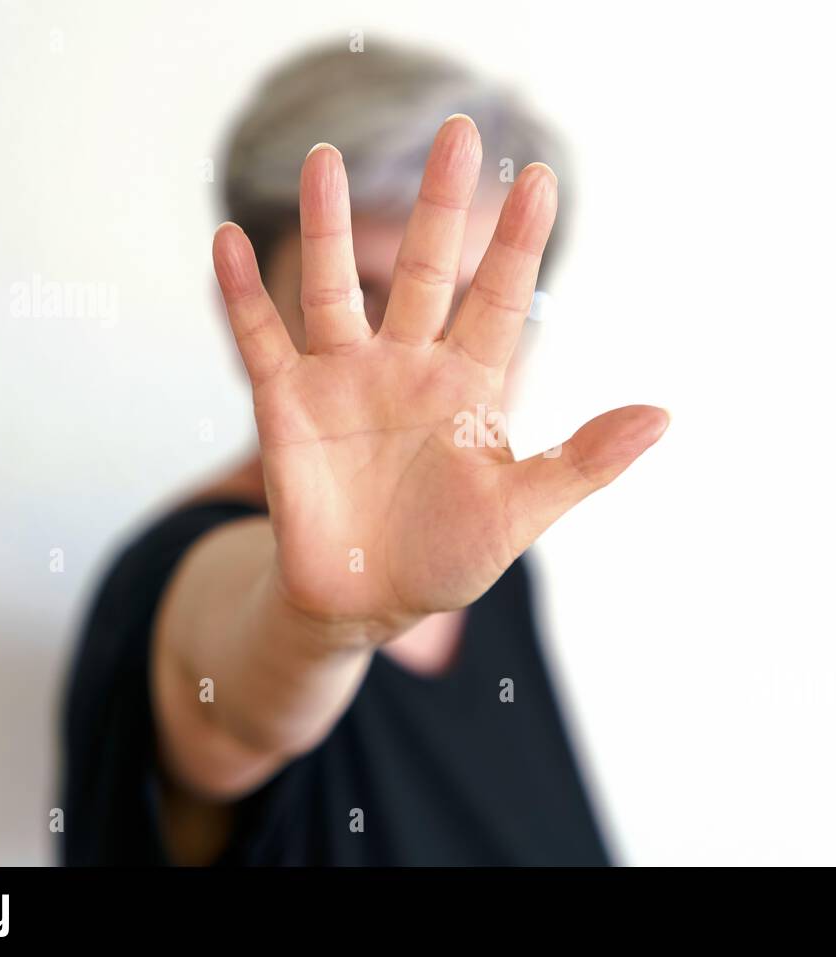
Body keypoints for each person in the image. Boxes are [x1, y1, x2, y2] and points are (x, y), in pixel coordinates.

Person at [61, 42, 668, 866]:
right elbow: (238, 702)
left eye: (470, 308)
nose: (411, 367)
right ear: (249, 312)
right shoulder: (176, 581)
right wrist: (322, 629)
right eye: (358, 301)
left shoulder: (496, 575)